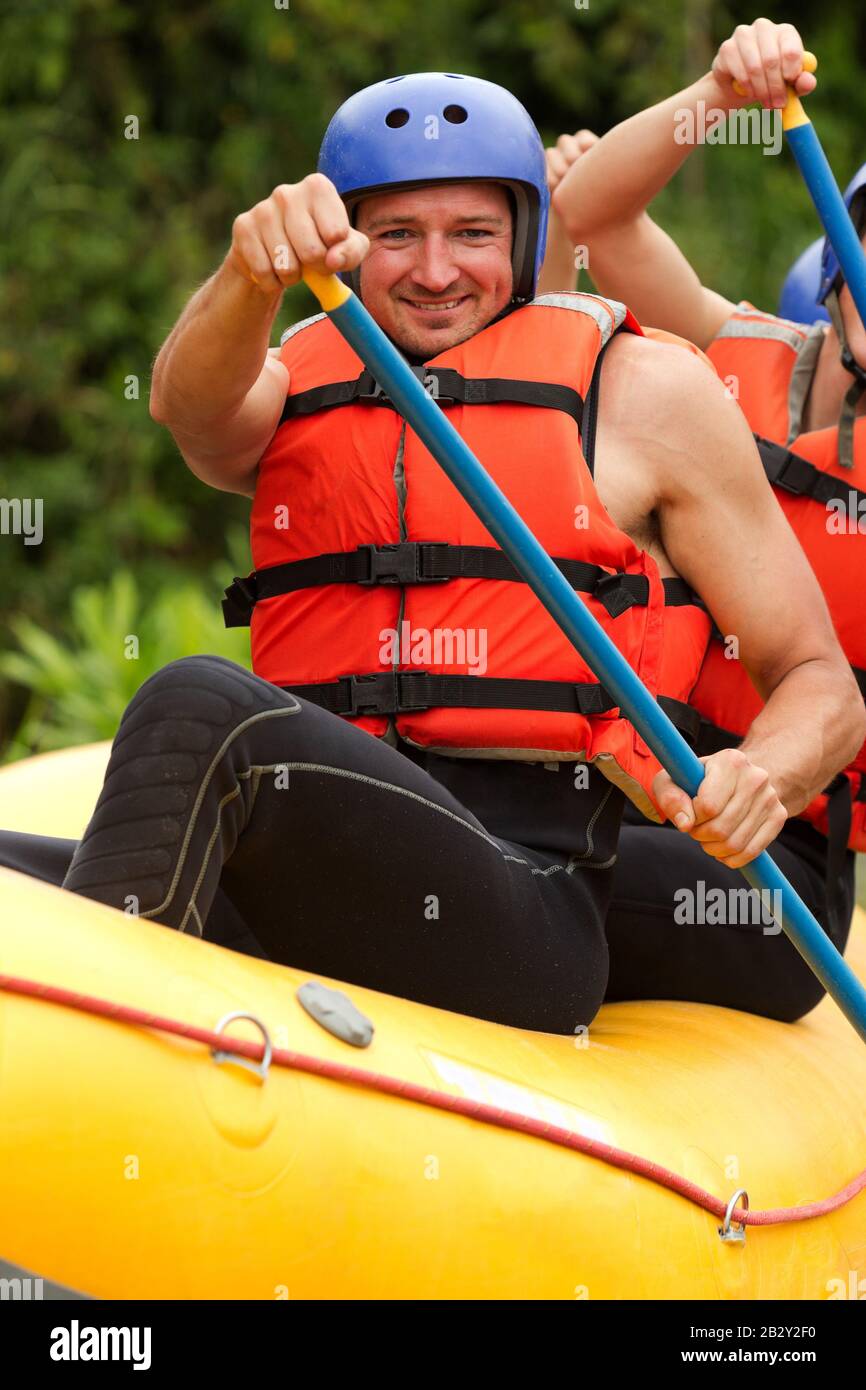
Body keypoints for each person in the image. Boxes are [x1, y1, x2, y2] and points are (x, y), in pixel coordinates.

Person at [1, 72, 860, 1034]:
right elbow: (190, 413)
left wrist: (765, 777)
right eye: (398, 235)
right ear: (343, 240)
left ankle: (95, 1078)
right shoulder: (303, 374)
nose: (436, 271)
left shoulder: (647, 392)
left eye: (473, 236)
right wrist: (248, 276)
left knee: (199, 705)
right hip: (333, 857)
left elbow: (822, 681)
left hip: (524, 900)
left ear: (527, 239)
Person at [545, 17, 866, 1018]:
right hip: (633, 771)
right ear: (832, 292)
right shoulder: (739, 348)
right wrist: (722, 93)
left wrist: (759, 774)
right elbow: (586, 212)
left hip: (777, 856)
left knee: (531, 863)